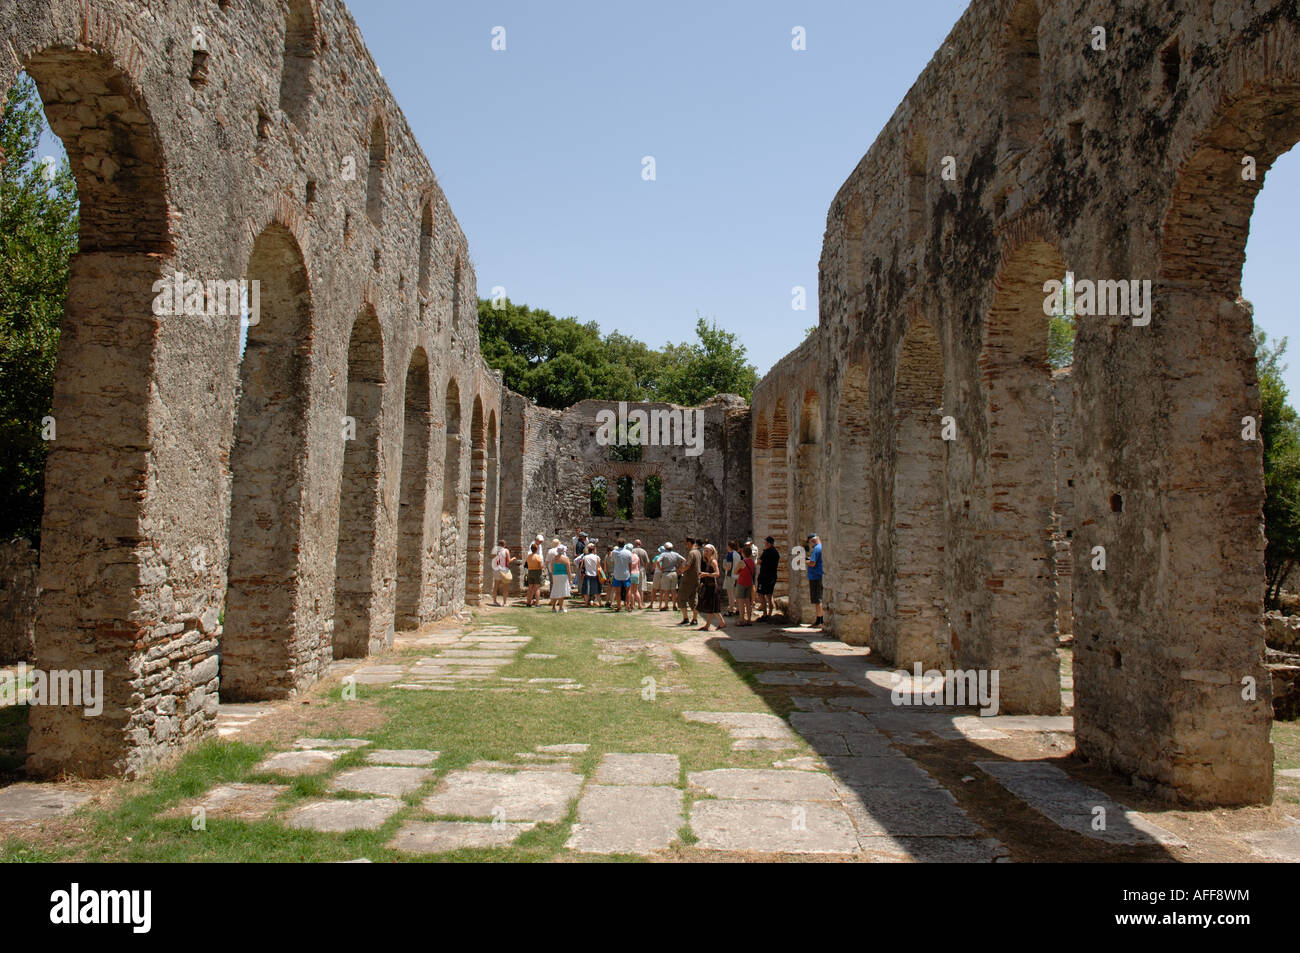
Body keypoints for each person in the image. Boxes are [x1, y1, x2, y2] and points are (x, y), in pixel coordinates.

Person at [696, 543, 727, 631]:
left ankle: (714, 624)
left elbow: (717, 574)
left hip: (712, 587)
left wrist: (706, 574)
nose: (705, 552)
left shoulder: (713, 561)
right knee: (712, 607)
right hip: (709, 586)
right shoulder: (708, 561)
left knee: (713, 607)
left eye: (707, 550)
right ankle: (714, 624)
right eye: (704, 550)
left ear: (711, 551)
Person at [677, 537, 701, 626]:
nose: (685, 545)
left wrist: (682, 570)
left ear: (689, 543)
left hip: (688, 579)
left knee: (681, 597)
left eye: (686, 543)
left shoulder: (691, 552)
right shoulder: (698, 552)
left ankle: (685, 618)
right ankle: (695, 619)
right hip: (696, 579)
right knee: (693, 599)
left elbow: (688, 565)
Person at [756, 536, 779, 621]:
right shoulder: (776, 552)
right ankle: (770, 614)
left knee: (761, 594)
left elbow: (759, 561)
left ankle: (765, 614)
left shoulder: (767, 552)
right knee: (769, 595)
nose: (764, 544)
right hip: (772, 576)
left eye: (765, 542)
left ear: (768, 543)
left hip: (765, 576)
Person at [804, 533, 824, 628]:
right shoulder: (821, 547)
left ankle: (819, 621)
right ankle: (820, 619)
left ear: (812, 541)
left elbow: (812, 563)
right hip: (818, 575)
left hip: (815, 576)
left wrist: (804, 561)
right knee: (818, 599)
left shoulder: (816, 549)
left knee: (817, 599)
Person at [735, 543, 757, 625]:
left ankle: (741, 620)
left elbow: (735, 571)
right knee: (748, 601)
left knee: (740, 602)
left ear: (743, 553)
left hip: (741, 582)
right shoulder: (752, 562)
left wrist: (739, 570)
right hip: (749, 582)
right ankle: (749, 620)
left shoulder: (742, 562)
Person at [609, 539, 632, 612]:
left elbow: (612, 562)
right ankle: (628, 605)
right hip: (626, 573)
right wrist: (630, 572)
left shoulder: (614, 552)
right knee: (628, 590)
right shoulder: (628, 552)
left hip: (617, 573)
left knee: (618, 591)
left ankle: (619, 606)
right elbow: (630, 563)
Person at [548, 544, 571, 612]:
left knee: (555, 590)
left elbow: (552, 569)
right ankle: (561, 608)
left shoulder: (554, 559)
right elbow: (568, 570)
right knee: (562, 592)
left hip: (555, 576)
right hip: (563, 576)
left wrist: (552, 578)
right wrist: (570, 579)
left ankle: (553, 607)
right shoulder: (565, 559)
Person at [490, 540, 511, 606]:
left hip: (497, 569)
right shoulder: (506, 551)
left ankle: (494, 601)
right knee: (505, 586)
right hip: (504, 569)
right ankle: (504, 602)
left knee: (496, 586)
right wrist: (513, 559)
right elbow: (508, 561)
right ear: (504, 545)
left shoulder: (495, 550)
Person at [524, 542, 544, 607]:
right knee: (537, 588)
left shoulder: (528, 557)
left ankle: (528, 602)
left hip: (530, 571)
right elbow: (541, 566)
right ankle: (537, 603)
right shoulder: (538, 557)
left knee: (530, 588)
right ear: (536, 549)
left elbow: (526, 564)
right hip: (537, 572)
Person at [633, 539, 651, 608]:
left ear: (635, 544)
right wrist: (645, 569)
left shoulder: (633, 551)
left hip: (634, 569)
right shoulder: (643, 551)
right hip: (642, 569)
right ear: (640, 544)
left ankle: (633, 602)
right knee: (641, 587)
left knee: (634, 587)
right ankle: (641, 602)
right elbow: (647, 561)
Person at [627, 543, 644, 609]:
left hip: (630, 573)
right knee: (636, 590)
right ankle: (640, 604)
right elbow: (639, 566)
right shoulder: (636, 556)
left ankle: (632, 605)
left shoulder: (628, 556)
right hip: (636, 573)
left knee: (631, 591)